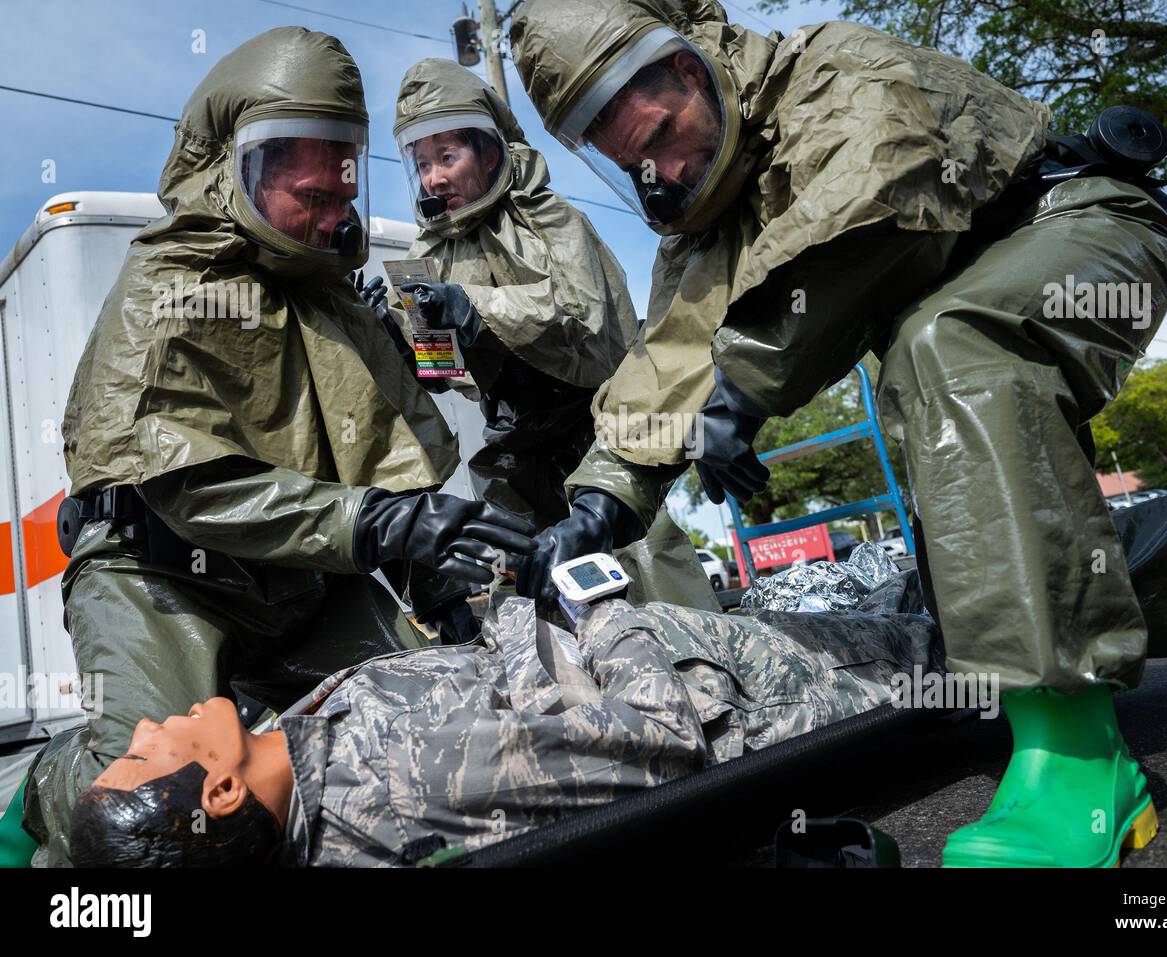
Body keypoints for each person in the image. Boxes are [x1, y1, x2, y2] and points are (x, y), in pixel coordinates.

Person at [505, 0, 1167, 866]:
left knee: (944, 343)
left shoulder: (836, 72)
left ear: (693, 70)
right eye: (633, 163)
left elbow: (866, 209)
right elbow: (670, 356)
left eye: (661, 136)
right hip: (955, 328)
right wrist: (601, 499)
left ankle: (1079, 756)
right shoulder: (709, 209)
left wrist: (742, 384)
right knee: (974, 591)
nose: (660, 171)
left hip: (1082, 227)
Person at [13, 28, 537, 868]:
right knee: (138, 806)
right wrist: (383, 525)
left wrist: (435, 574)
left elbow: (395, 466)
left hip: (303, 580)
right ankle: (52, 778)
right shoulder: (173, 284)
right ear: (240, 171)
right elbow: (190, 485)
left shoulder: (334, 300)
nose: (335, 216)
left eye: (343, 189)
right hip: (159, 573)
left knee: (453, 720)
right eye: (309, 196)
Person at [68, 581, 940, 867]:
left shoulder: (298, 747)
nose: (147, 725)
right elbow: (658, 738)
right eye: (146, 756)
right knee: (964, 647)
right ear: (218, 790)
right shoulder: (402, 777)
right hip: (752, 683)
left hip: (697, 656)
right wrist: (595, 608)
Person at [360, 59, 719, 618]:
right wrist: (389, 335)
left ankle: (701, 672)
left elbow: (585, 317)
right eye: (422, 162)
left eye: (448, 157)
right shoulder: (427, 258)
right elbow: (441, 377)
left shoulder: (549, 221)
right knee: (523, 588)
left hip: (597, 426)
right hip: (519, 448)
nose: (433, 178)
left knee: (643, 565)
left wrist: (472, 306)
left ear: (488, 150)